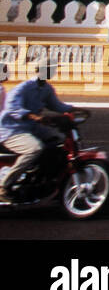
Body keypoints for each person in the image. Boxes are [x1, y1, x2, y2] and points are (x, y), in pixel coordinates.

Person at [0, 59, 80, 195]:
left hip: (31, 128)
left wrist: (76, 109)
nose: (52, 71)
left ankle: (43, 174)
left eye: (53, 69)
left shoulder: (47, 89)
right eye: (48, 69)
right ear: (39, 70)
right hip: (12, 129)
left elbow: (57, 106)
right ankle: (4, 185)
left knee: (60, 141)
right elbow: (12, 108)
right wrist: (35, 117)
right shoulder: (23, 88)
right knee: (35, 149)